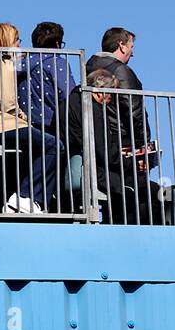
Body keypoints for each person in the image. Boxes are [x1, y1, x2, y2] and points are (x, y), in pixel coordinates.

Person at [0, 23, 59, 214]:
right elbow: (8, 104)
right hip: (1, 125)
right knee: (54, 146)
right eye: (17, 40)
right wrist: (25, 118)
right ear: (6, 41)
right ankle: (27, 197)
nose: (19, 46)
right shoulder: (3, 64)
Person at [65, 71, 164, 224]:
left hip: (84, 164)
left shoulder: (71, 101)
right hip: (95, 171)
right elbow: (104, 153)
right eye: (111, 93)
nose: (111, 99)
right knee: (150, 191)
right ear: (99, 91)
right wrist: (134, 164)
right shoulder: (93, 110)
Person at [17, 21, 77, 145]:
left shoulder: (19, 65)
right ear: (57, 43)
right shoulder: (57, 63)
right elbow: (68, 97)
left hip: (23, 125)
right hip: (52, 125)